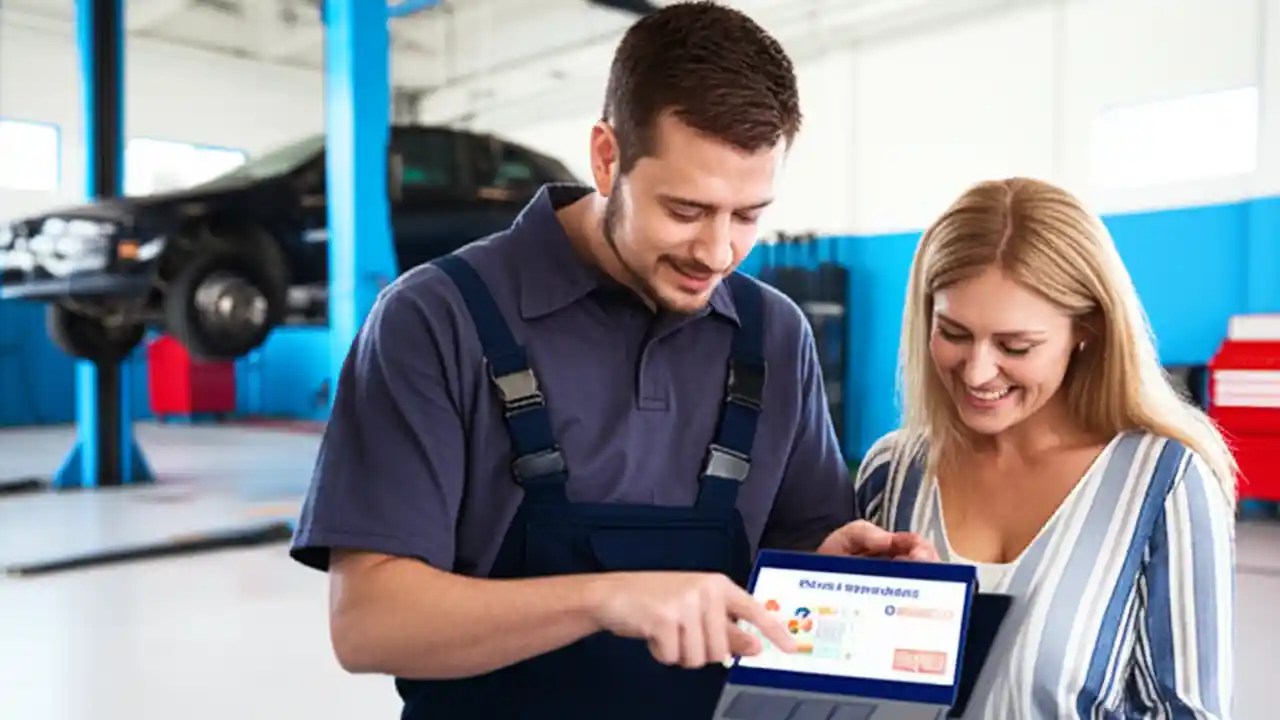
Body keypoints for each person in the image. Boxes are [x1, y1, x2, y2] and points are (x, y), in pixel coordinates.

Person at [288, 3, 930, 719]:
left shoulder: (774, 334)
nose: (717, 253)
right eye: (686, 210)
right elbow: (369, 622)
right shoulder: (435, 320)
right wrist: (605, 596)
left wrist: (831, 573)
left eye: (747, 215)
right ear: (606, 158)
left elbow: (792, 555)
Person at [852, 176, 1237, 718]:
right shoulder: (892, 472)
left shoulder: (1165, 482)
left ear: (1088, 331)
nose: (978, 371)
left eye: (1016, 345)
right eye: (954, 334)